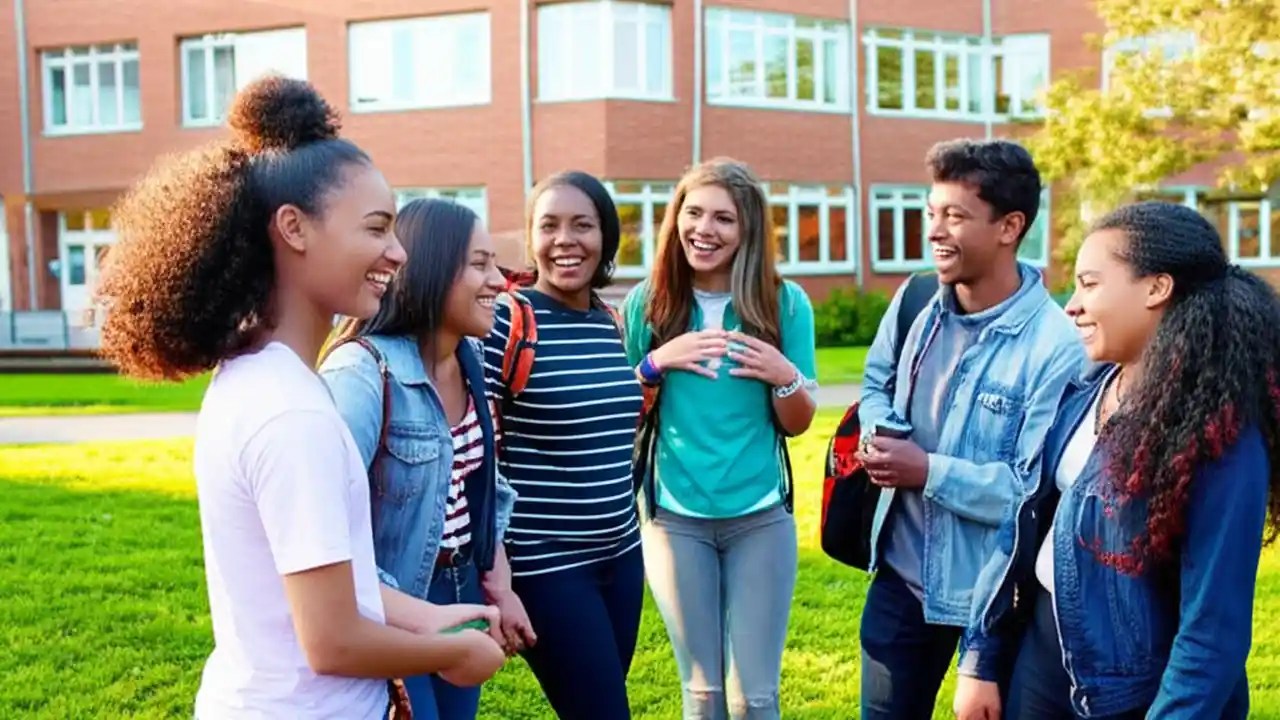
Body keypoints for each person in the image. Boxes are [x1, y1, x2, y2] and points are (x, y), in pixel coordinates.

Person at [93, 75, 505, 718]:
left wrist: (427, 617)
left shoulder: (258, 379)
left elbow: (326, 584)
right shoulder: (291, 413)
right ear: (294, 228)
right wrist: (450, 654)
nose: (398, 253)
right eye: (377, 228)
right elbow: (332, 641)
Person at [995, 201, 1279, 719]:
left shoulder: (1220, 433)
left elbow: (1212, 632)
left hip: (1136, 693)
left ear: (1156, 288)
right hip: (1042, 657)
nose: (1072, 306)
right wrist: (982, 659)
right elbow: (1021, 526)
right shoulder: (1085, 389)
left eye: (1090, 284)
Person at [854, 138, 1086, 720]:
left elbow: (1031, 494)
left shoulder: (1057, 347)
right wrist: (882, 431)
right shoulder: (915, 301)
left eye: (955, 216)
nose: (935, 230)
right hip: (899, 583)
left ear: (1010, 226)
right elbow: (876, 384)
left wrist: (926, 470)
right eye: (931, 212)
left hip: (993, 599)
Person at [620, 157, 817, 720]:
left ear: (747, 229)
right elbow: (624, 417)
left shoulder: (784, 303)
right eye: (694, 213)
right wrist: (655, 363)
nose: (704, 229)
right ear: (676, 218)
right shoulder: (648, 304)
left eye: (723, 218)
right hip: (674, 519)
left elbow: (798, 422)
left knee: (755, 697)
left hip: (760, 518)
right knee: (703, 694)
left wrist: (784, 375)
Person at [318, 198, 527, 719]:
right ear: (432, 270)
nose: (499, 281)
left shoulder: (471, 359)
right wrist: (407, 613)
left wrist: (497, 584)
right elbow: (323, 528)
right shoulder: (362, 375)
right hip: (391, 600)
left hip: (461, 584)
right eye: (480, 264)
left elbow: (481, 484)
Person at [482, 171, 645, 718]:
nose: (565, 240)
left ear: (606, 237)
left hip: (622, 555)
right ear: (531, 238)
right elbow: (476, 447)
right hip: (547, 565)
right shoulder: (508, 319)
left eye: (582, 225)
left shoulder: (609, 320)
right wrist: (497, 575)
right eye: (549, 226)